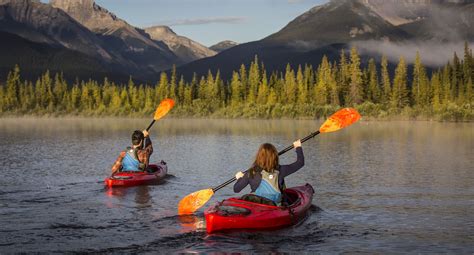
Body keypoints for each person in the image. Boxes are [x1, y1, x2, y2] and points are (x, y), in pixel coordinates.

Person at [233, 140, 304, 206]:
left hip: (259, 204)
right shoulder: (281, 170)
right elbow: (300, 163)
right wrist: (298, 147)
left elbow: (236, 189)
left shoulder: (251, 172)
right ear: (274, 156)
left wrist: (240, 178)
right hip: (275, 206)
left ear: (259, 156)